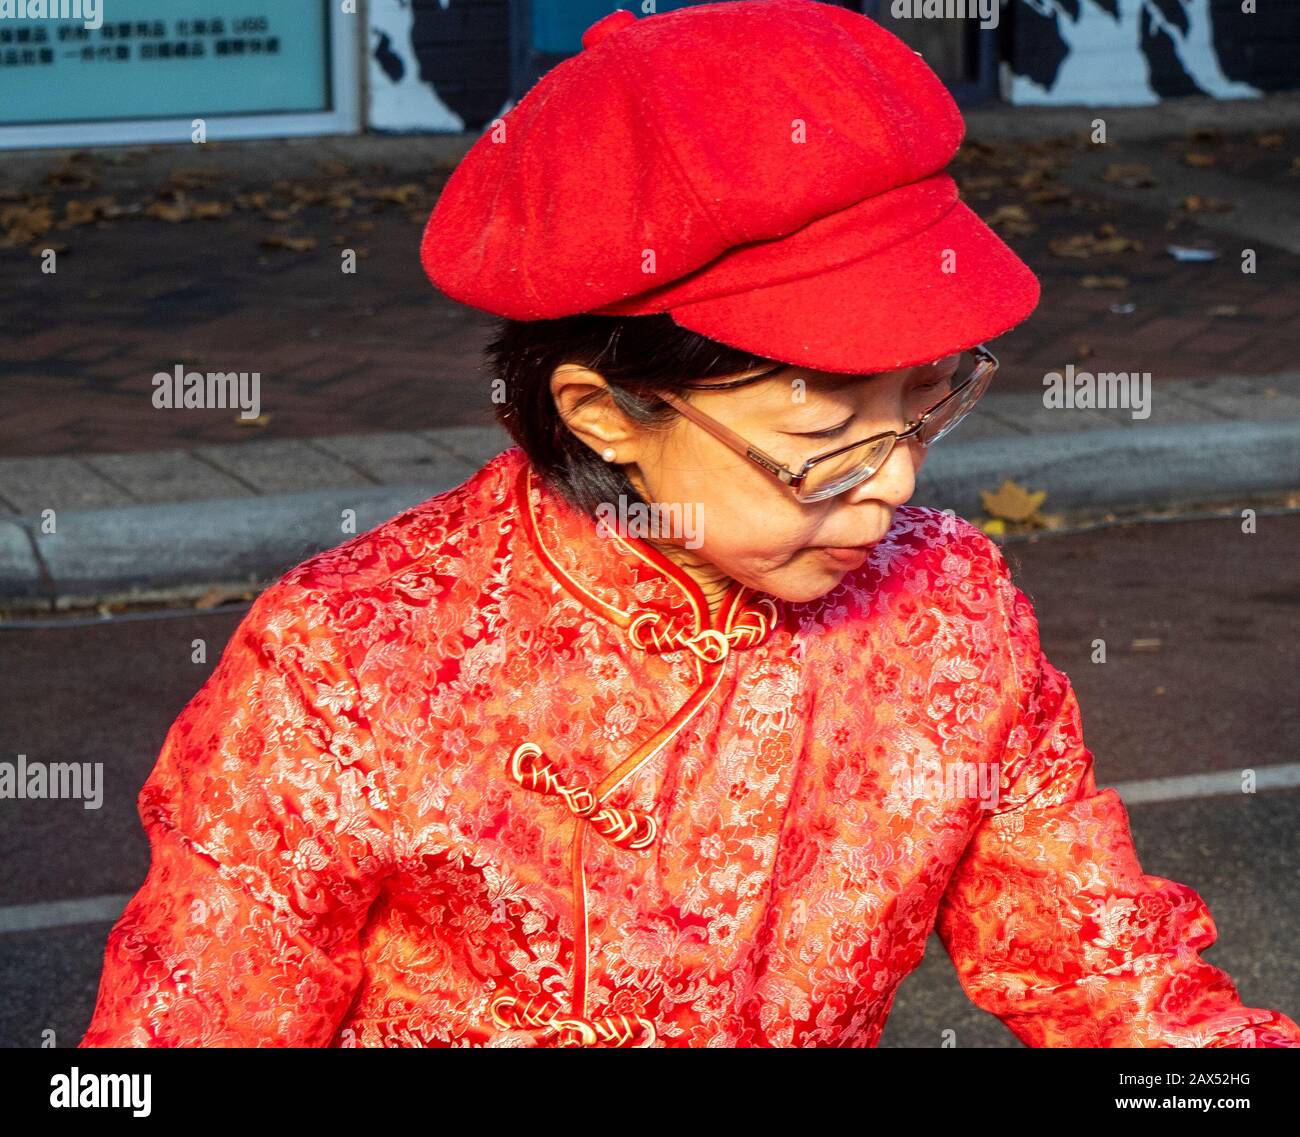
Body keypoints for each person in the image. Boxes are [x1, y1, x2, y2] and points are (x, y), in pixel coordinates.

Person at [79, 0, 1299, 1047]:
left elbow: (1104, 973)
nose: (892, 492)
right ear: (604, 410)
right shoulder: (355, 660)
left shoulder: (950, 610)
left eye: (926, 403)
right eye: (824, 434)